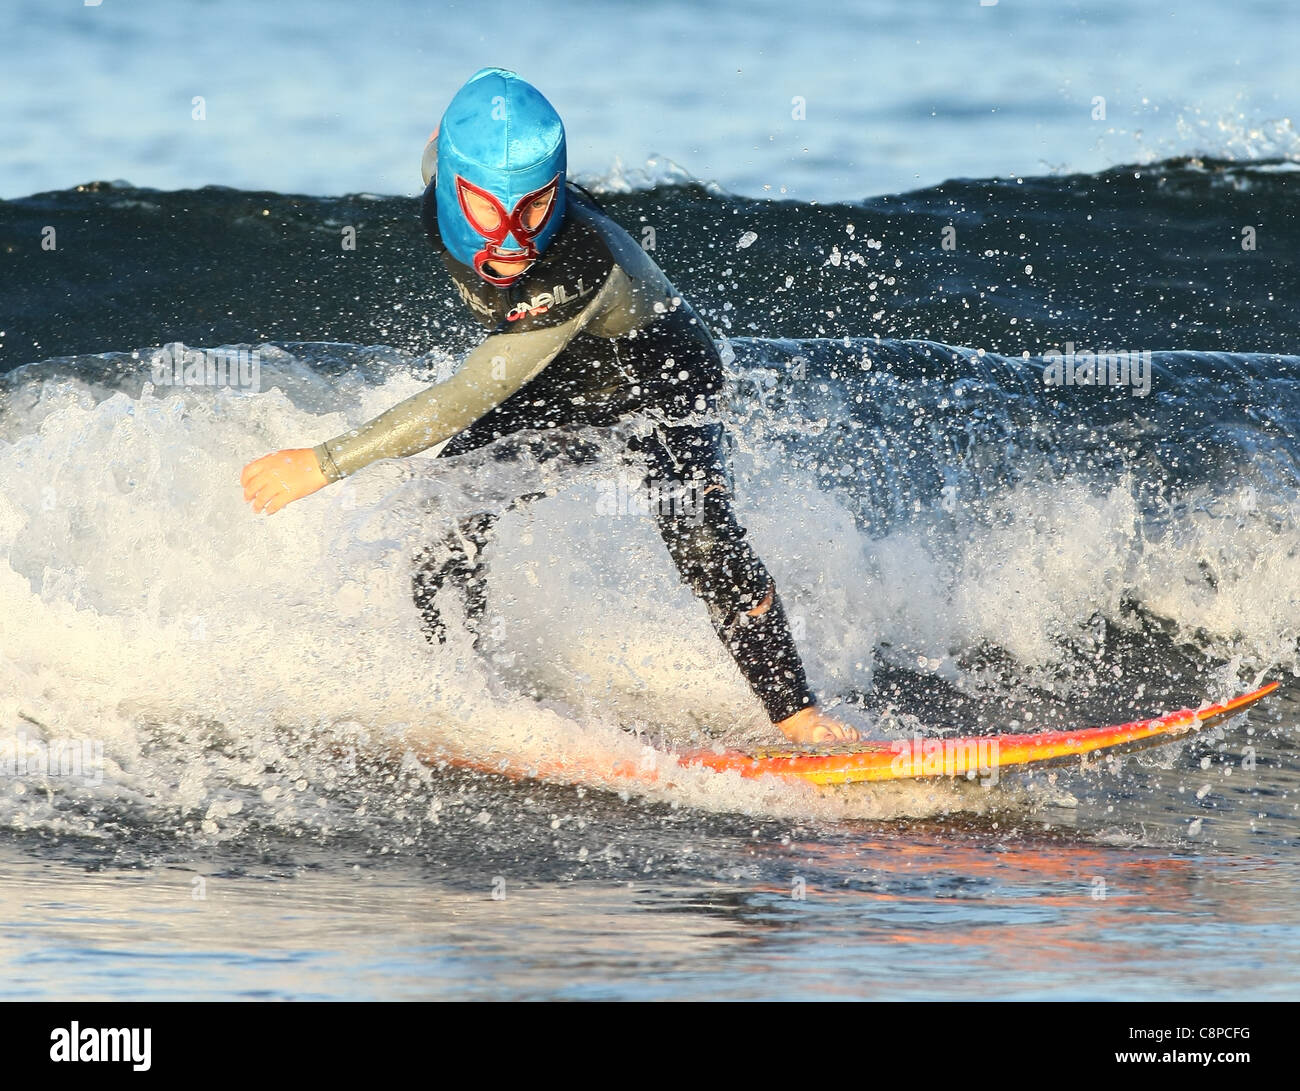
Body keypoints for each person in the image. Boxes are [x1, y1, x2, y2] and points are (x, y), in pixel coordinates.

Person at [240, 68, 857, 745]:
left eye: (534, 208)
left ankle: (800, 716)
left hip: (665, 380)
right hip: (562, 372)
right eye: (489, 210)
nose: (511, 238)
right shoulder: (442, 175)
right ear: (448, 180)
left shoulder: (573, 263)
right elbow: (444, 140)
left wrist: (324, 462)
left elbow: (463, 396)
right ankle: (467, 690)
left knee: (696, 533)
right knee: (442, 516)